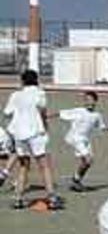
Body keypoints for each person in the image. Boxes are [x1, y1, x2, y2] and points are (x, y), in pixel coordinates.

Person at [3, 69, 63, 210]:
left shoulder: (16, 95)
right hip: (35, 132)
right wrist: (46, 127)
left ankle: (18, 198)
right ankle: (52, 197)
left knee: (23, 166)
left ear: (22, 80)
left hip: (19, 134)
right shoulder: (40, 93)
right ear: (36, 80)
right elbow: (43, 112)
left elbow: (7, 113)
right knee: (44, 166)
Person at [60, 90, 108, 191]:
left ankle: (76, 180)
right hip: (76, 138)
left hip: (85, 140)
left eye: (91, 100)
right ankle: (76, 180)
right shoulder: (78, 111)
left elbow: (101, 127)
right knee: (88, 159)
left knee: (88, 162)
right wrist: (44, 118)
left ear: (95, 101)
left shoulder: (97, 115)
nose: (88, 102)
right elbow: (61, 114)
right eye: (86, 100)